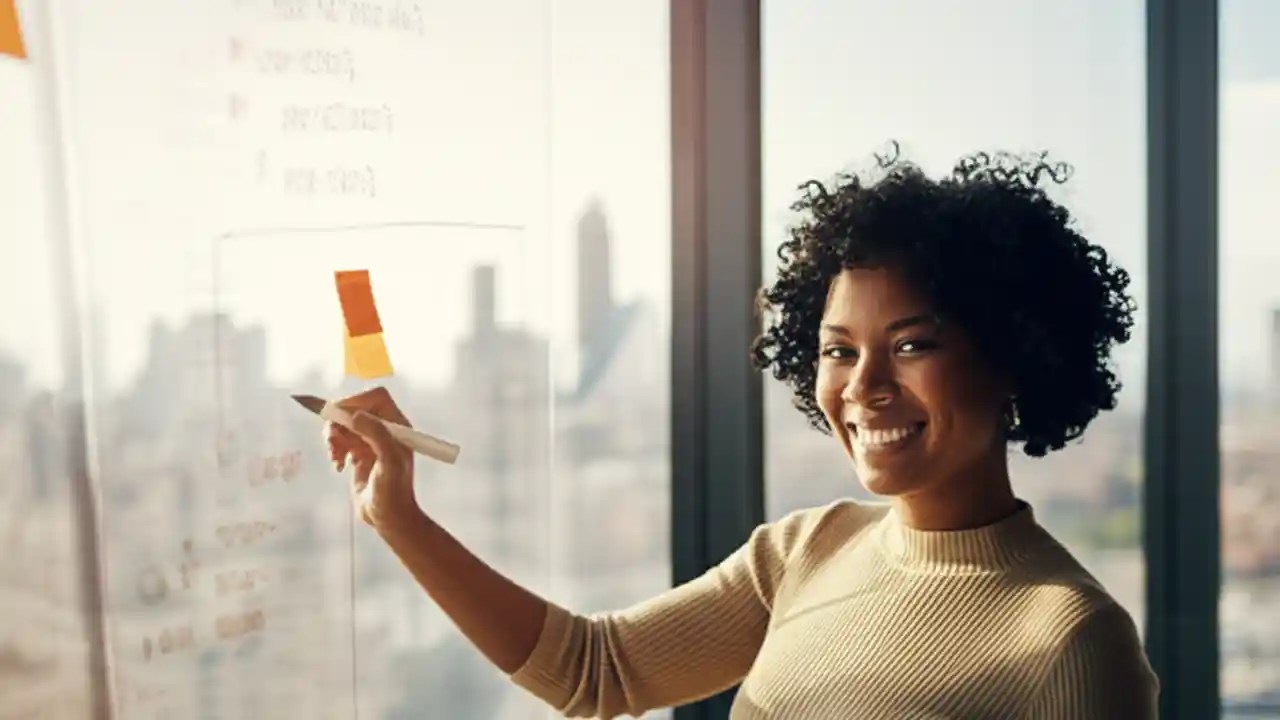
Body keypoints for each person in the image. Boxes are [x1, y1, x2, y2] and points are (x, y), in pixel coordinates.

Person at [324, 145, 1159, 718]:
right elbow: (594, 671)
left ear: (1016, 357)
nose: (863, 387)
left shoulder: (1074, 641)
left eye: (911, 345)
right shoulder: (805, 551)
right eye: (839, 350)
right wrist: (398, 517)